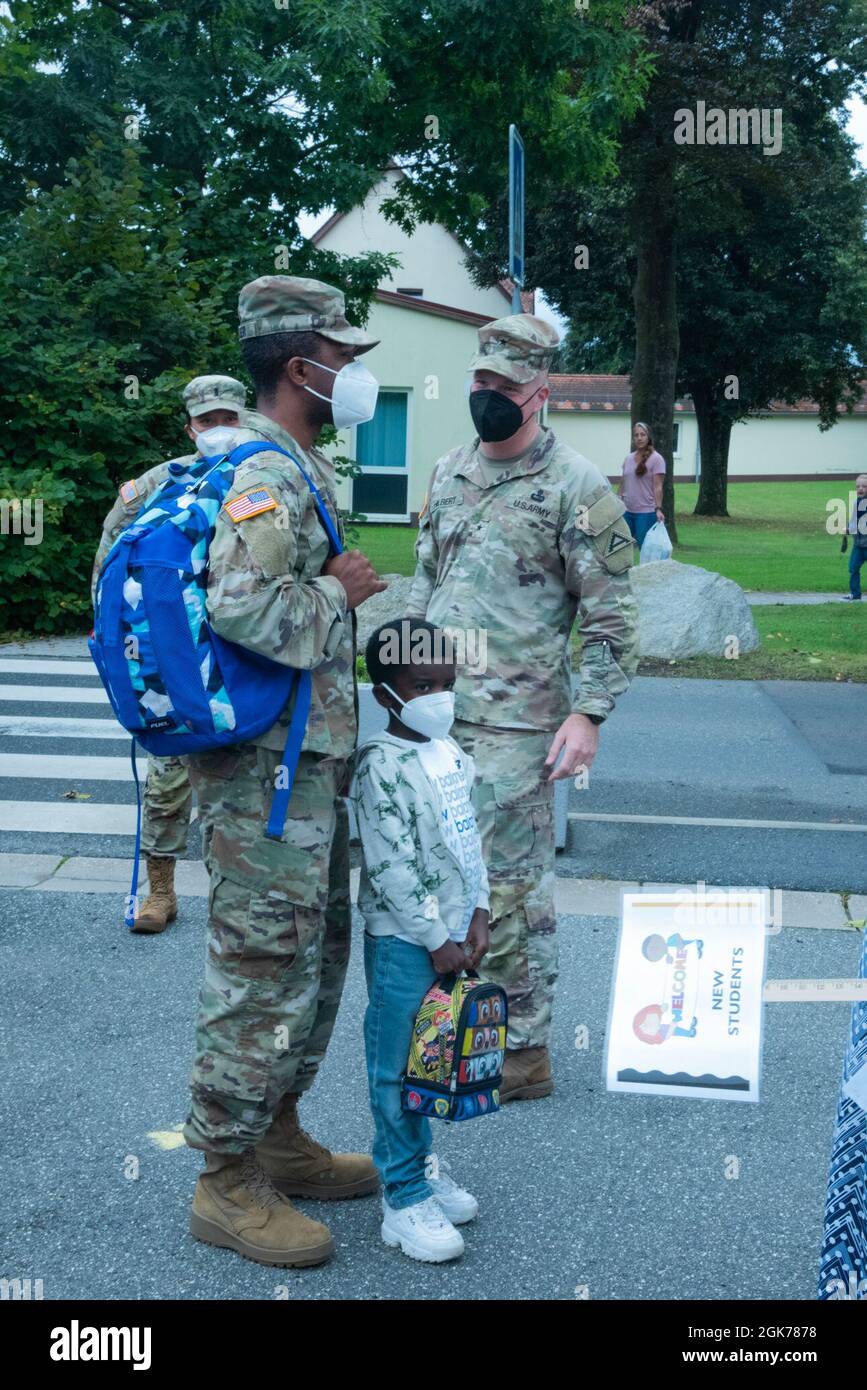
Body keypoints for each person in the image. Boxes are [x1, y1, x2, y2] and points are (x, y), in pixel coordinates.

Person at [184, 276, 387, 1269]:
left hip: (308, 776)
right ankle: (223, 1180)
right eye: (342, 356)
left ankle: (278, 1135)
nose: (354, 373)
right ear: (298, 364)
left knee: (313, 965)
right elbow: (240, 605)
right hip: (264, 783)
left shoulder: (304, 465)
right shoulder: (262, 470)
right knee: (260, 973)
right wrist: (335, 595)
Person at [407, 314, 638, 1103]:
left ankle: (525, 1050)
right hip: (433, 716)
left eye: (504, 386)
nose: (488, 396)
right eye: (480, 382)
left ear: (539, 391)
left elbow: (610, 616)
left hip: (516, 725)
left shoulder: (578, 487)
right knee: (438, 881)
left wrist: (590, 714)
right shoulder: (446, 472)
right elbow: (427, 585)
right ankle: (457, 1031)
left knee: (506, 892)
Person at [351, 619, 490, 1263]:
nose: (440, 696)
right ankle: (401, 1196)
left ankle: (424, 1171)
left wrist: (480, 913)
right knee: (397, 1068)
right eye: (423, 685)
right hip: (407, 943)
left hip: (454, 940)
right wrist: (436, 937)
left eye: (447, 683)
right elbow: (392, 866)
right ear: (386, 696)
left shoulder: (452, 754)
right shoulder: (381, 766)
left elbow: (472, 841)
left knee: (433, 1063)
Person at [91, 375, 247, 932]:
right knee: (168, 774)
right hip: (174, 653)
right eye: (208, 422)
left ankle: (240, 896)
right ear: (190, 426)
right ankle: (159, 890)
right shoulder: (161, 482)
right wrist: (113, 639)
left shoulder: (255, 476)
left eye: (229, 418)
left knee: (243, 779)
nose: (219, 430)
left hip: (239, 648)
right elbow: (111, 556)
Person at [619, 421, 666, 549]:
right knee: (621, 548)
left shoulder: (657, 459)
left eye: (643, 435)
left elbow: (658, 486)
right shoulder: (628, 459)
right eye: (636, 435)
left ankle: (646, 570)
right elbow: (623, 483)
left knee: (645, 549)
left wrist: (658, 509)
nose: (639, 438)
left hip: (646, 512)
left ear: (648, 437)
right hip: (626, 511)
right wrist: (618, 502)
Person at [841, 473, 867, 601]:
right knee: (853, 568)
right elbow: (853, 521)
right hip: (858, 545)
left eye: (864, 486)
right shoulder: (857, 503)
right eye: (858, 486)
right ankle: (855, 594)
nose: (860, 489)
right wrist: (848, 529)